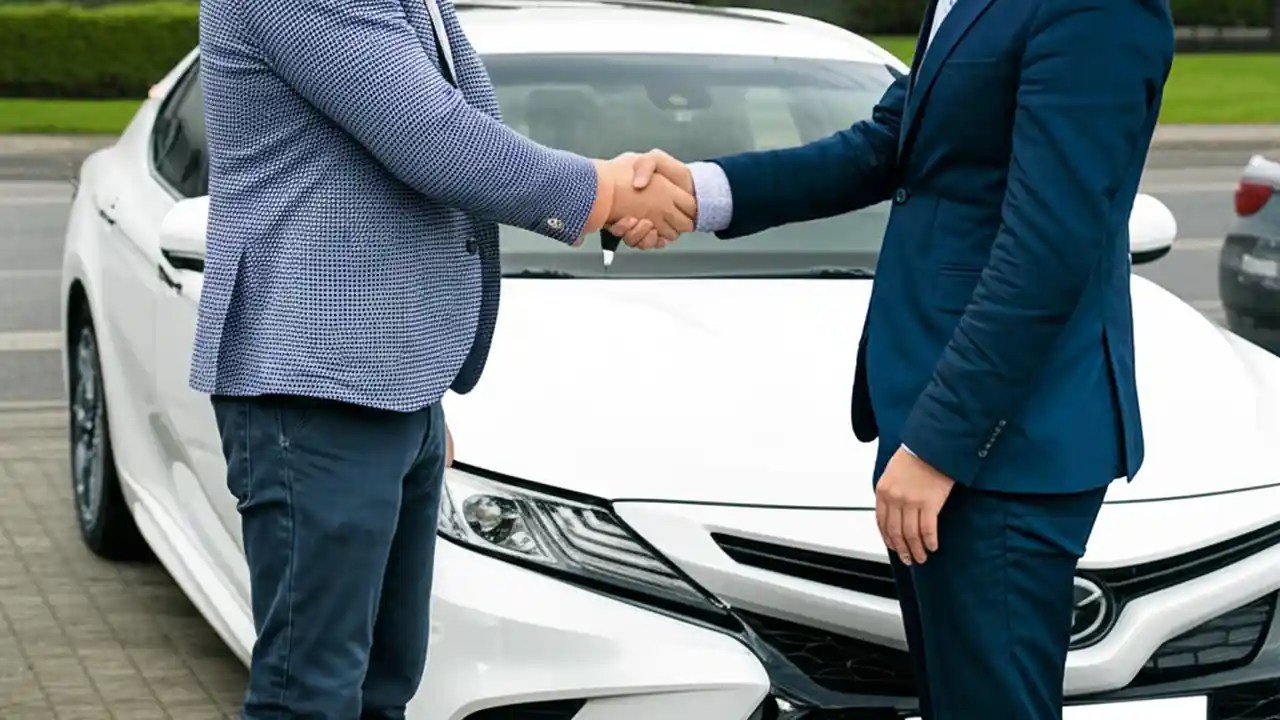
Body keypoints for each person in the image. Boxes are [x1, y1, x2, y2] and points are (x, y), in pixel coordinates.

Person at [613, 0, 1174, 717]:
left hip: (1001, 442)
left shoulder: (1098, 8)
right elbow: (889, 146)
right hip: (933, 412)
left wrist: (941, 446)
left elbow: (1047, 250)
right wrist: (703, 192)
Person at [191, 0, 694, 717]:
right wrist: (608, 191)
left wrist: (421, 396)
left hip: (388, 389)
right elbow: (437, 140)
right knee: (312, 693)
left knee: (383, 684)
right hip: (318, 391)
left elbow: (456, 128)